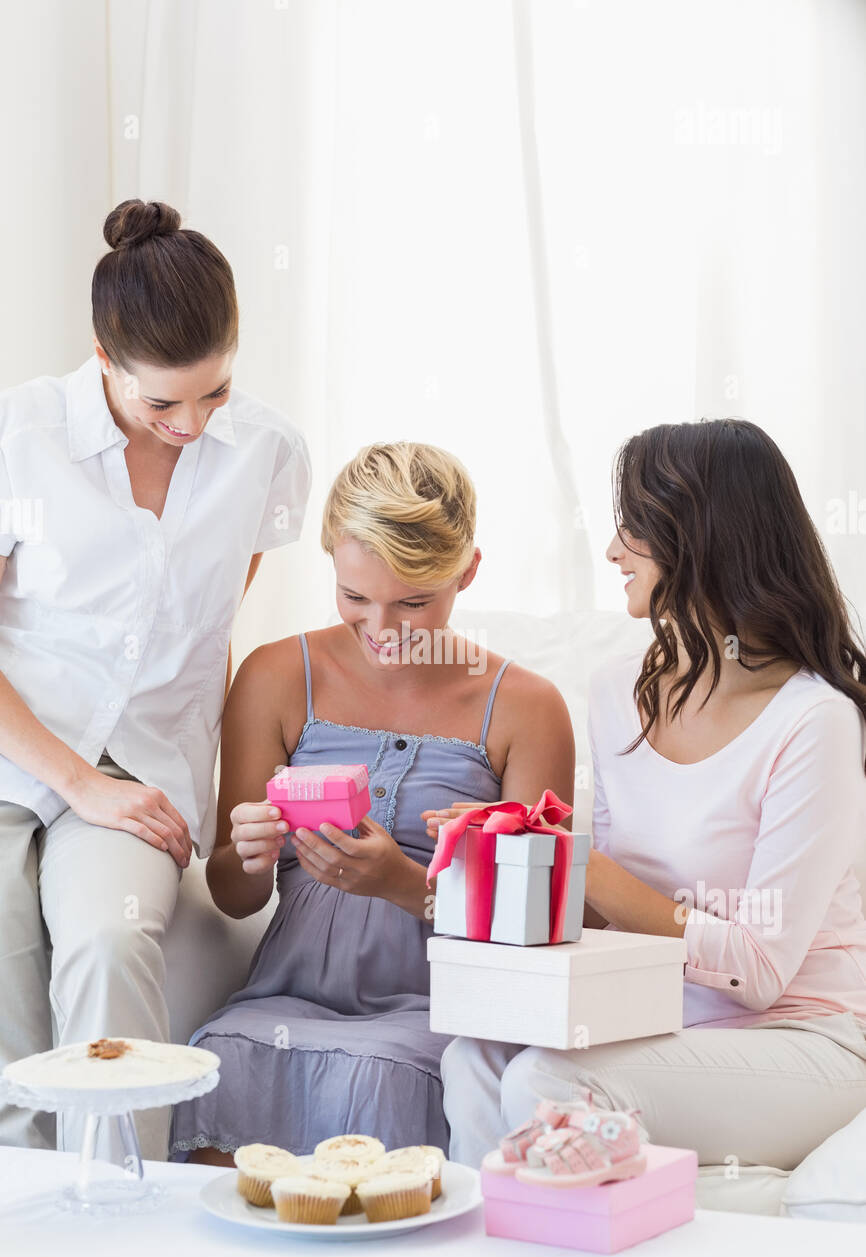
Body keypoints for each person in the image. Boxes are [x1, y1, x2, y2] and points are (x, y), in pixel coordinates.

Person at [442, 418, 866, 1183]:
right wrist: (513, 851)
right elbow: (611, 914)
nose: (611, 551)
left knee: (545, 1080)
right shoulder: (617, 691)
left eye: (633, 529)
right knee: (474, 1056)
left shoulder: (815, 722)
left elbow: (760, 969)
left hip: (806, 1041)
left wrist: (583, 864)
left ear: (698, 538)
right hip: (659, 1015)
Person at [0, 199, 311, 1158]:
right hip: (18, 750)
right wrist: (74, 780)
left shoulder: (265, 452)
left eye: (212, 394)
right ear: (103, 354)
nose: (191, 423)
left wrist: (143, 794)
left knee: (109, 940)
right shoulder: (23, 432)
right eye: (161, 403)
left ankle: (124, 1210)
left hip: (141, 775)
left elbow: (206, 628)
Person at [169, 441, 574, 1161]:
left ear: (468, 572)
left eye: (413, 602)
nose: (382, 631)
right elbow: (232, 895)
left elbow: (538, 933)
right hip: (287, 997)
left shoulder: (527, 708)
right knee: (219, 1058)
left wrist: (402, 884)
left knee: (388, 1073)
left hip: (435, 1008)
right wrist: (251, 854)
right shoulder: (275, 676)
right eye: (355, 597)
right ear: (330, 560)